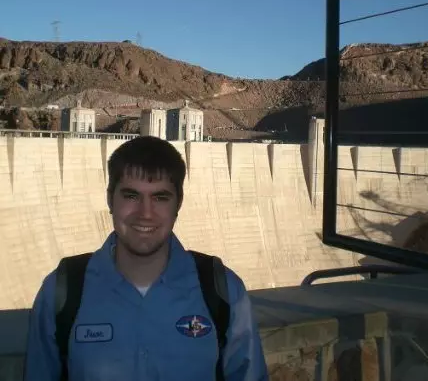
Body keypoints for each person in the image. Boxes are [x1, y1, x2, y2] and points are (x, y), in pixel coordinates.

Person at [24, 136, 269, 380]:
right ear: (110, 199)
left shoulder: (221, 291)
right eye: (131, 196)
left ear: (178, 204)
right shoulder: (63, 292)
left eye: (160, 198)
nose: (145, 213)